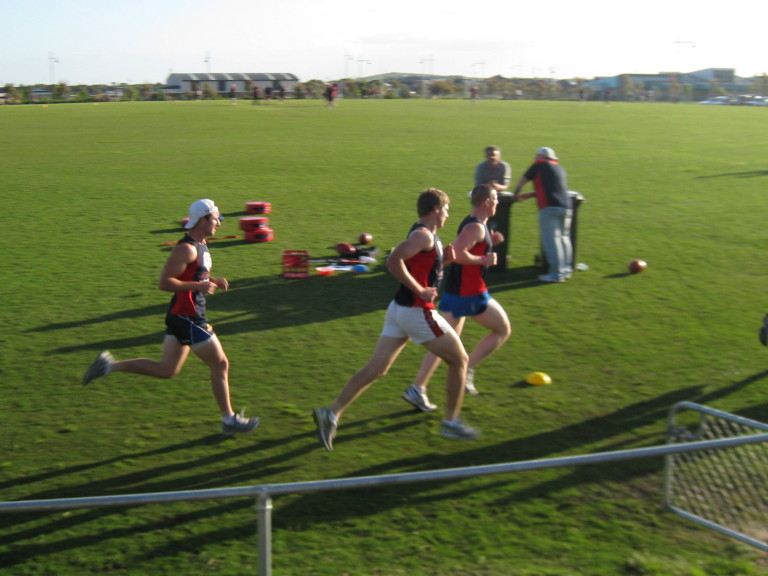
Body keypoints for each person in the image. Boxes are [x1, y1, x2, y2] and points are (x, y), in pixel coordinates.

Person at [313, 188, 478, 451]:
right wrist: (420, 290)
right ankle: (451, 422)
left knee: (376, 369)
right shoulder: (422, 235)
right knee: (460, 361)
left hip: (399, 311)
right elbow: (393, 261)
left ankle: (330, 413)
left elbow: (419, 268)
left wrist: (443, 262)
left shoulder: (427, 236)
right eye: (446, 210)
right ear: (436, 210)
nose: (448, 215)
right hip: (417, 311)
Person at [82, 199, 260, 436]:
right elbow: (165, 283)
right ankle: (229, 420)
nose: (219, 223)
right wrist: (198, 285)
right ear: (204, 219)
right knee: (220, 364)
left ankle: (107, 366)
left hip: (181, 316)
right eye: (216, 218)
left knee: (167, 370)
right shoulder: (185, 249)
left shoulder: (202, 244)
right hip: (189, 316)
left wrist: (212, 280)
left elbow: (196, 272)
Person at [404, 184, 511, 401]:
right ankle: (467, 369)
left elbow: (471, 244)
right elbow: (460, 253)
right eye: (495, 200)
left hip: (461, 289)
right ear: (487, 203)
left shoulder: (477, 225)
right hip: (469, 293)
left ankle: (418, 387)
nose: (498, 203)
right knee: (502, 330)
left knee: (444, 343)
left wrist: (493, 240)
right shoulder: (476, 228)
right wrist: (484, 259)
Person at [513, 147, 573, 283]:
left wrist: (516, 195)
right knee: (564, 239)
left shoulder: (538, 164)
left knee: (552, 241)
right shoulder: (559, 168)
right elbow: (554, 189)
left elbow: (522, 181)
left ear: (540, 156)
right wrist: (530, 195)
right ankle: (566, 269)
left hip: (548, 208)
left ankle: (555, 274)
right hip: (566, 207)